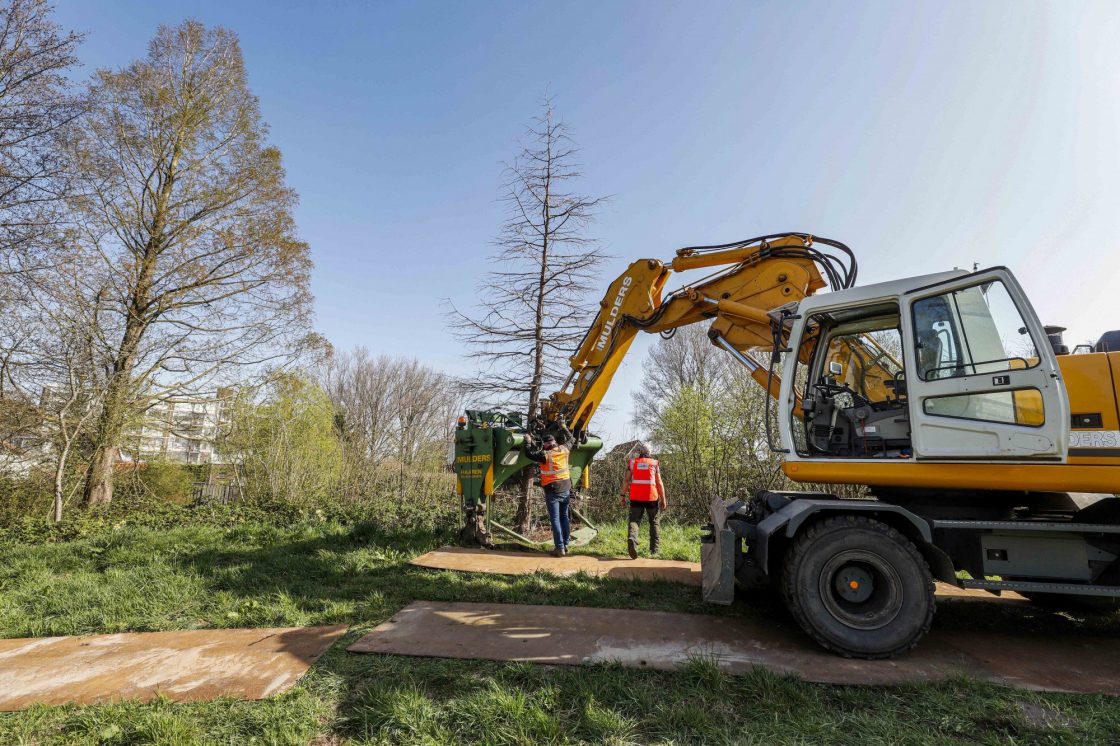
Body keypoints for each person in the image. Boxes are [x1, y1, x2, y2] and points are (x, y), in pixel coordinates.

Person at [525, 421, 574, 557]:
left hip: (553, 491)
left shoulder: (545, 456)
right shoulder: (564, 449)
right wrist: (563, 427)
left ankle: (559, 548)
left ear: (546, 445)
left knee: (555, 519)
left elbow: (529, 454)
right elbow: (572, 439)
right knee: (564, 516)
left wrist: (528, 441)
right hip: (566, 489)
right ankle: (565, 543)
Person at [620, 442, 667, 559]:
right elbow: (659, 483)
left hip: (636, 497)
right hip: (651, 497)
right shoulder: (654, 463)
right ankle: (654, 550)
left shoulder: (632, 463)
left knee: (634, 520)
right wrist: (663, 499)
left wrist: (622, 496)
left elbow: (626, 481)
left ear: (640, 452)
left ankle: (632, 538)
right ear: (649, 452)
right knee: (654, 522)